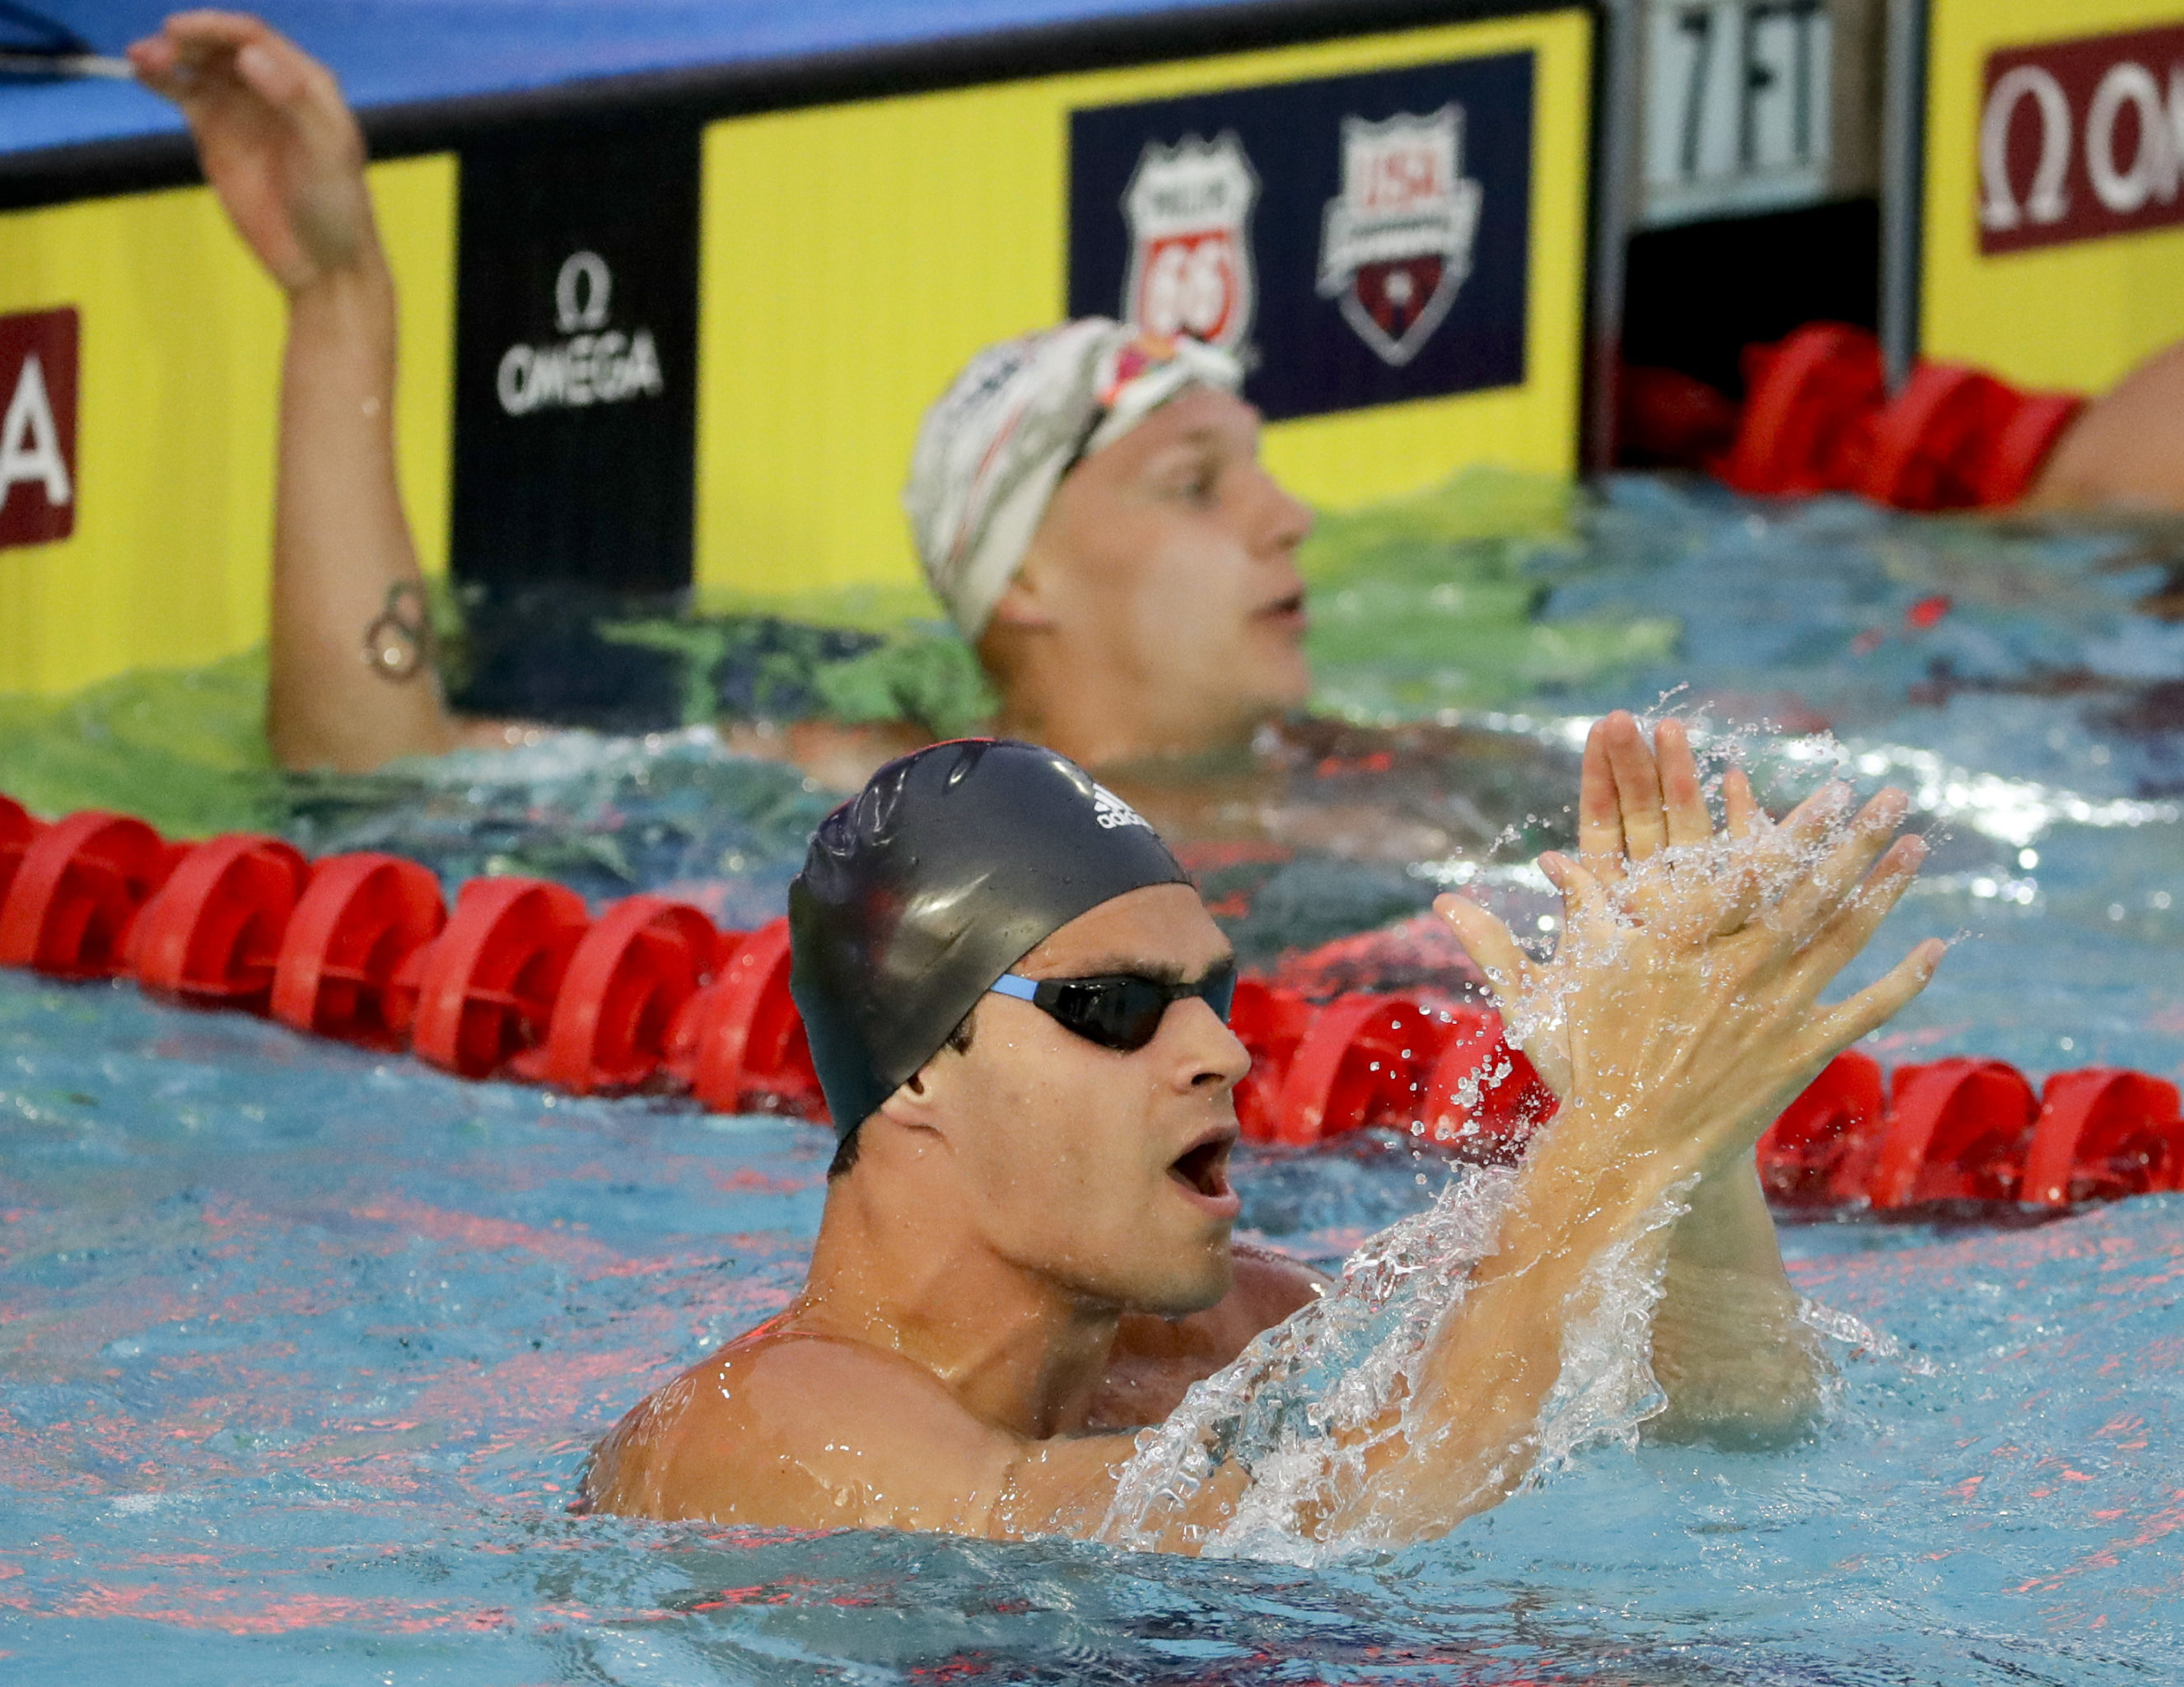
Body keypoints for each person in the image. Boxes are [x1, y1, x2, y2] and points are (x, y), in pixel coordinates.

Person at [578, 722, 1943, 1546]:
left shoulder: (1221, 1341)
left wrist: (1694, 1154)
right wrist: (1621, 1139)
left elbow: (1725, 1424)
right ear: (920, 1068)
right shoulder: (759, 1439)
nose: (1222, 1050)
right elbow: (1365, 1514)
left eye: (1215, 995)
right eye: (1115, 1007)